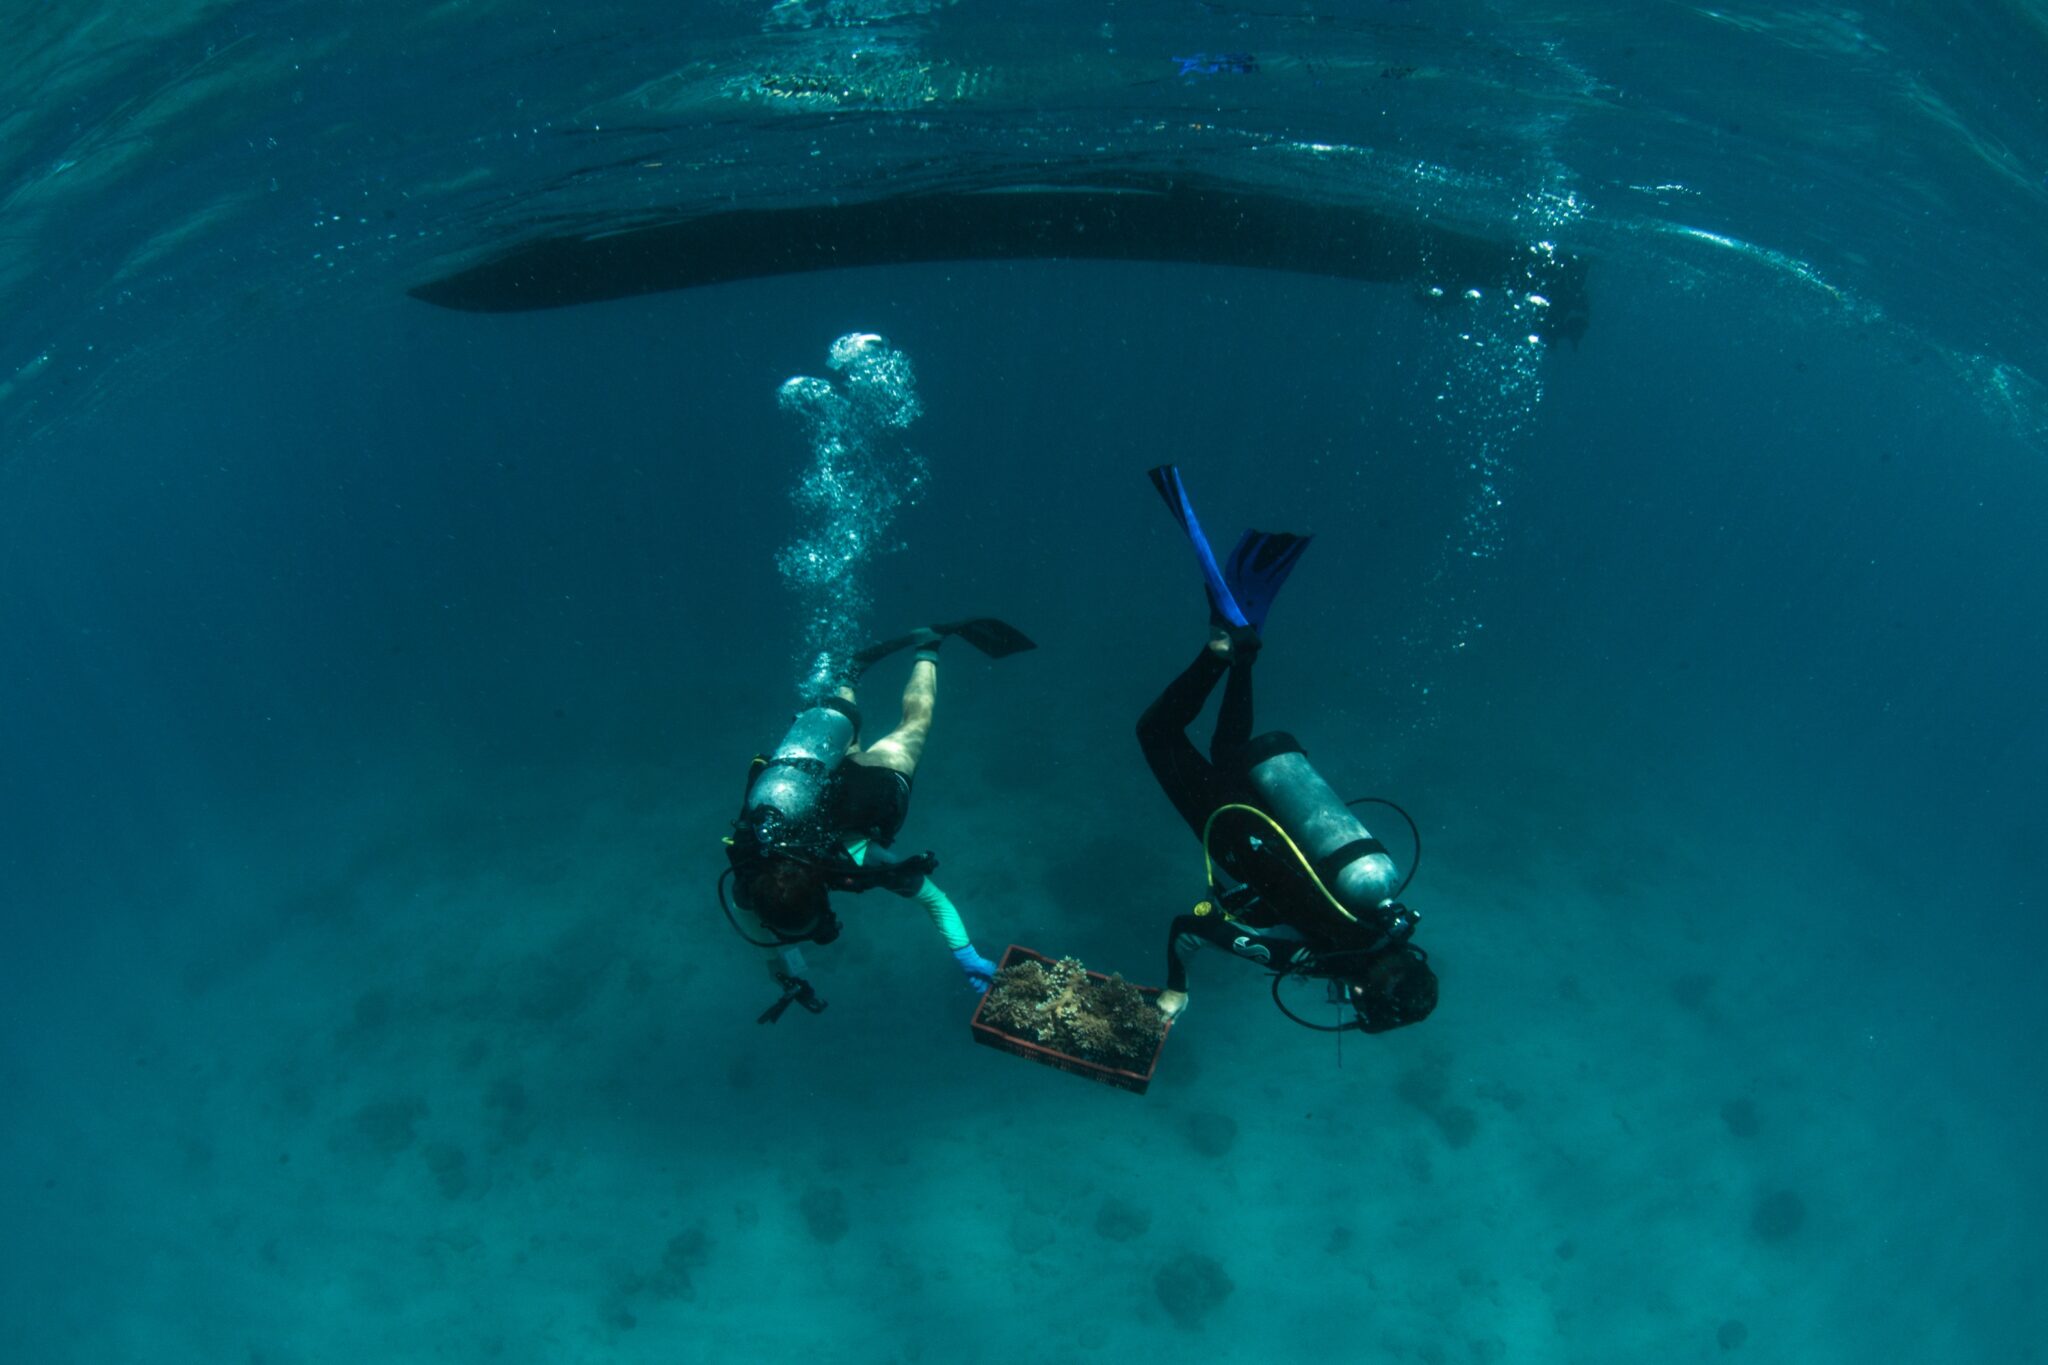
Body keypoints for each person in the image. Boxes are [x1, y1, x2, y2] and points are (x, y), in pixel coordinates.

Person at [1136, 466, 1437, 1034]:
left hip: (1273, 799)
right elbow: (1189, 927)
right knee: (1155, 734)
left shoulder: (1387, 917)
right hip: (1231, 825)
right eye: (1359, 1002)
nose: (1346, 1001)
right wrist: (1176, 986)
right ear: (1365, 989)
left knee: (1229, 747)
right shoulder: (1303, 957)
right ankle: (1220, 651)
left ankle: (1242, 652)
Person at [723, 620, 1032, 1016]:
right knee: (846, 735)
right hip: (822, 780)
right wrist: (790, 978)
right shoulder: (754, 867)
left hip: (875, 787)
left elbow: (934, 901)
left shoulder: (855, 859)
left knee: (914, 724)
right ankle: (847, 678)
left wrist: (966, 954)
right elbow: (768, 948)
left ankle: (929, 645)